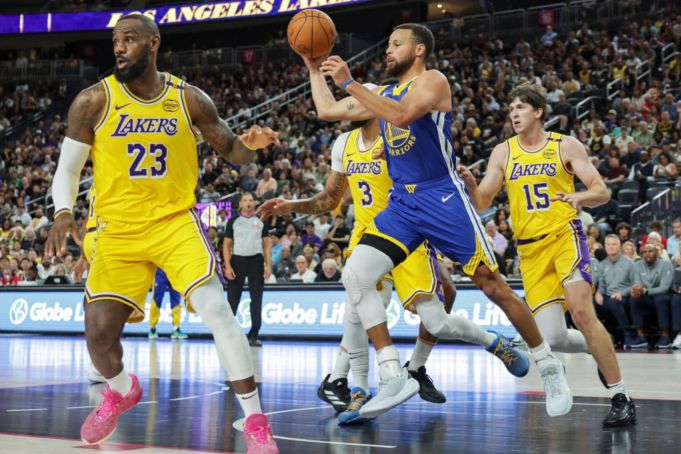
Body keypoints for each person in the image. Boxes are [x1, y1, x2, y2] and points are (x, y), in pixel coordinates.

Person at [297, 23, 566, 419]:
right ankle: (392, 373)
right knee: (355, 274)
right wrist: (311, 63)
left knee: (493, 285)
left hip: (442, 195)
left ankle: (548, 365)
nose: (388, 50)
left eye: (396, 44)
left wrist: (351, 83)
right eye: (387, 44)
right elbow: (326, 109)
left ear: (419, 50)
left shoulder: (433, 82)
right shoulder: (382, 94)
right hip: (403, 204)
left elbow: (404, 116)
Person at [46, 14, 279, 452]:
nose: (119, 47)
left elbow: (231, 149)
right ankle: (120, 389)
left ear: (153, 44)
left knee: (217, 311)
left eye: (129, 40)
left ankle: (255, 421)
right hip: (117, 229)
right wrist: (63, 213)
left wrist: (252, 147)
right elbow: (68, 169)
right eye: (116, 40)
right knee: (98, 334)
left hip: (174, 222)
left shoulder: (188, 98)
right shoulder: (92, 101)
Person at [259, 114, 528, 425]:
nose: (349, 108)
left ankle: (492, 342)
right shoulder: (343, 144)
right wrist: (291, 205)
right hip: (368, 237)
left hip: (407, 232)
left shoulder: (401, 138)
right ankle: (360, 391)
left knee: (437, 323)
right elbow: (330, 198)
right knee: (357, 316)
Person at [459, 82, 635, 427]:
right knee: (552, 337)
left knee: (583, 312)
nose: (514, 113)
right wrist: (469, 182)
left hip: (564, 236)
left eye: (521, 107)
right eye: (511, 109)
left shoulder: (564, 145)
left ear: (538, 112)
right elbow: (482, 202)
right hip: (529, 250)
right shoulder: (502, 152)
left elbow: (601, 190)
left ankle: (621, 396)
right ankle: (595, 346)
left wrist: (578, 198)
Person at [223, 192, 272, 347]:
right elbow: (226, 245)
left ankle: (254, 334)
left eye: (251, 200)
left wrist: (268, 265)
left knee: (256, 299)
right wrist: (228, 265)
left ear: (254, 204)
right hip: (237, 260)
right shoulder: (233, 221)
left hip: (256, 261)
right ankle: (229, 334)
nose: (249, 203)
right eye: (245, 200)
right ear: (241, 204)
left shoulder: (261, 221)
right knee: (233, 299)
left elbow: (266, 244)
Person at [630, 243, 674, 348]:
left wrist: (646, 290)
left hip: (663, 295)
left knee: (660, 299)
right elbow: (637, 282)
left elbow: (664, 288)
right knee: (634, 299)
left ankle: (665, 336)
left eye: (650, 251)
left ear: (657, 252)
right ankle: (640, 336)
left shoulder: (666, 264)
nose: (647, 254)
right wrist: (637, 289)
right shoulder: (637, 264)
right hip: (646, 295)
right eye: (644, 252)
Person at [148, 267, 188, 340]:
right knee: (156, 299)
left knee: (176, 299)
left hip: (174, 270)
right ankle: (152, 329)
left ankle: (176, 329)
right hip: (160, 270)